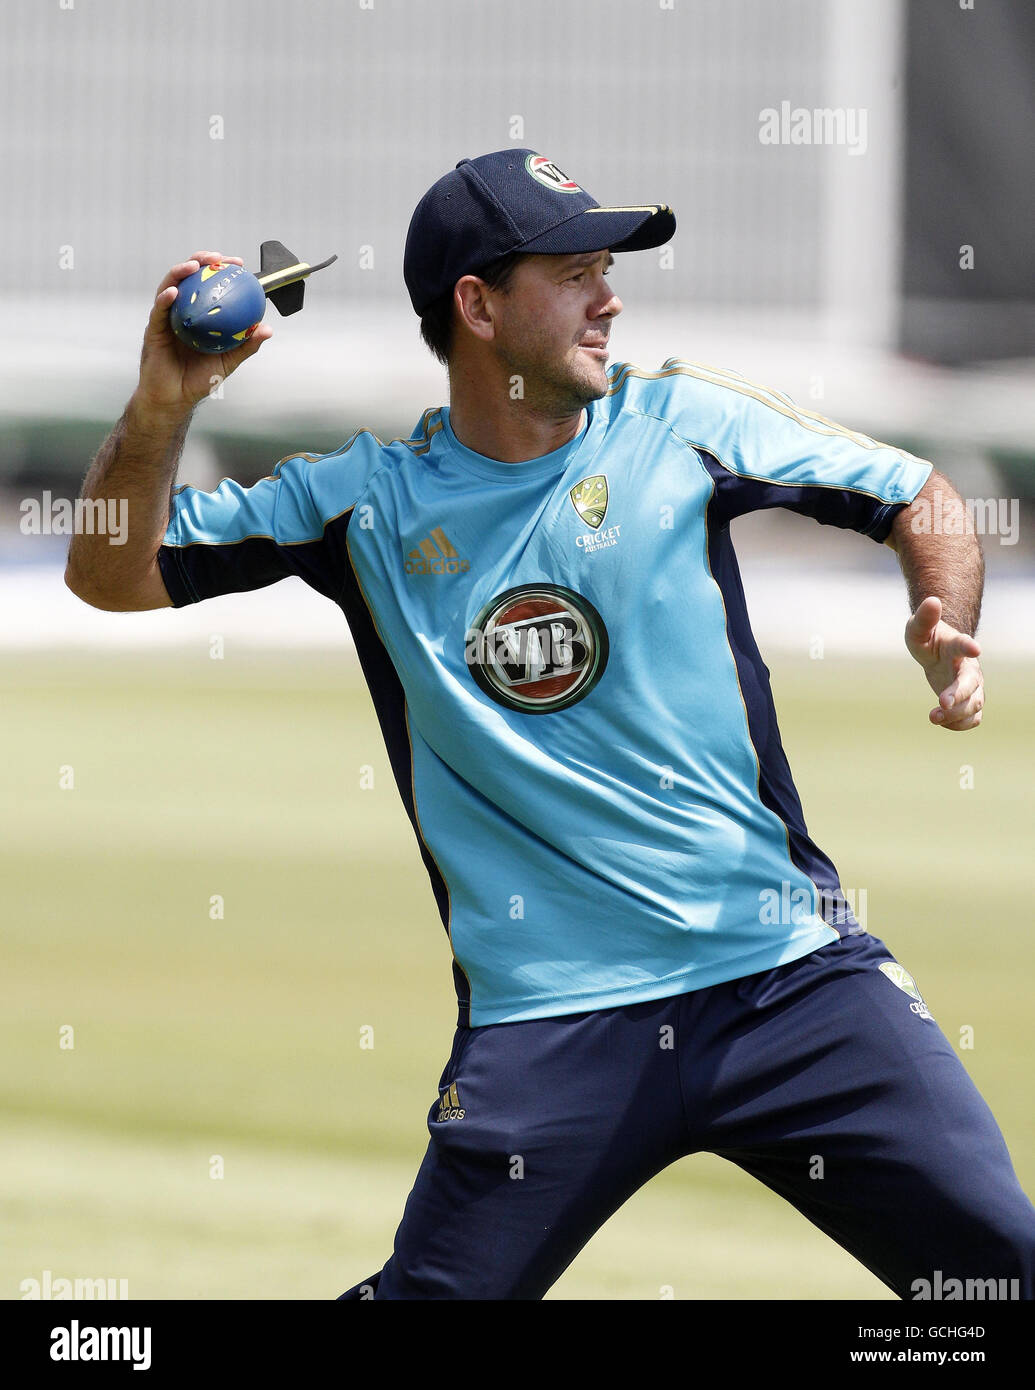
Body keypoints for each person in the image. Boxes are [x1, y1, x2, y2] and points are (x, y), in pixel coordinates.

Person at [66, 149, 1034, 1301]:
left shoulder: (683, 421)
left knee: (998, 1276)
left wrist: (944, 615)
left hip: (790, 984)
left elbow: (921, 496)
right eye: (576, 273)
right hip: (550, 1026)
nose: (611, 297)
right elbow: (111, 574)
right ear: (477, 306)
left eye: (609, 270)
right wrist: (162, 403)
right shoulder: (361, 501)